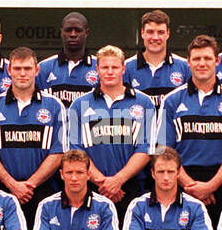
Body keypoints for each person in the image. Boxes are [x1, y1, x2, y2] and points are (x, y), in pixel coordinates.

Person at [155, 34, 222, 225]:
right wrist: (191, 187)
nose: (202, 63)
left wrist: (210, 186)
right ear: (188, 62)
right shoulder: (172, 100)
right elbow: (162, 151)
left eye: (207, 58)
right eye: (197, 59)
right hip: (182, 181)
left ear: (217, 61)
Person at [0, 46, 66, 228]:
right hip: (3, 190)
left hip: (43, 190)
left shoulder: (54, 105)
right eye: (17, 69)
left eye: (27, 68)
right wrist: (12, 185)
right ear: (9, 70)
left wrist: (30, 185)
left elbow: (58, 152)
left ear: (37, 70)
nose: (22, 74)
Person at [67, 44, 156, 219]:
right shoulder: (78, 104)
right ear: (97, 69)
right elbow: (75, 150)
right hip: (92, 186)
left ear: (123, 68)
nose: (109, 72)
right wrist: (103, 183)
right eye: (105, 67)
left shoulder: (145, 102)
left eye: (114, 67)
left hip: (131, 187)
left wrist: (118, 180)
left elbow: (148, 148)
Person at [123, 9, 191, 109]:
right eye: (150, 32)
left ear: (168, 34)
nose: (155, 37)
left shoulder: (185, 67)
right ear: (142, 33)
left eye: (160, 32)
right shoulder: (126, 68)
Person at [38, 12, 98, 106]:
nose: (73, 34)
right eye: (68, 30)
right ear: (61, 32)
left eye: (78, 30)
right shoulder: (43, 67)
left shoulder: (100, 67)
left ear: (86, 33)